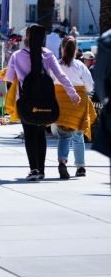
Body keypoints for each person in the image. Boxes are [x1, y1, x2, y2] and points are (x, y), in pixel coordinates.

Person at [5, 24, 80, 181]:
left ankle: (34, 169)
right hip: (45, 101)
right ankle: (42, 170)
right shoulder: (48, 54)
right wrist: (72, 93)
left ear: (27, 38)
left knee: (30, 134)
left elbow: (9, 78)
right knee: (40, 134)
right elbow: (60, 75)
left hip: (25, 101)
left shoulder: (17, 55)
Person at [53, 36, 95, 179]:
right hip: (79, 104)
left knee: (63, 135)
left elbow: (50, 81)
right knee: (78, 136)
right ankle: (80, 167)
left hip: (62, 104)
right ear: (75, 49)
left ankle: (62, 162)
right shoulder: (80, 66)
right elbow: (89, 86)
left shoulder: (56, 65)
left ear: (62, 48)